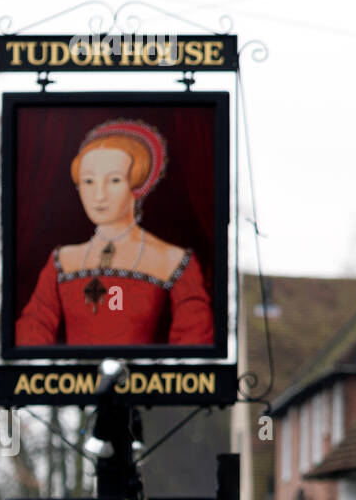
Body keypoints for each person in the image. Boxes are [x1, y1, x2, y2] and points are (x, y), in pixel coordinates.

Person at [14, 118, 214, 347]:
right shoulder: (62, 260)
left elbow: (195, 339)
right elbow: (32, 330)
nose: (99, 195)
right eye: (88, 181)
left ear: (138, 183)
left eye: (114, 181)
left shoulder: (172, 259)